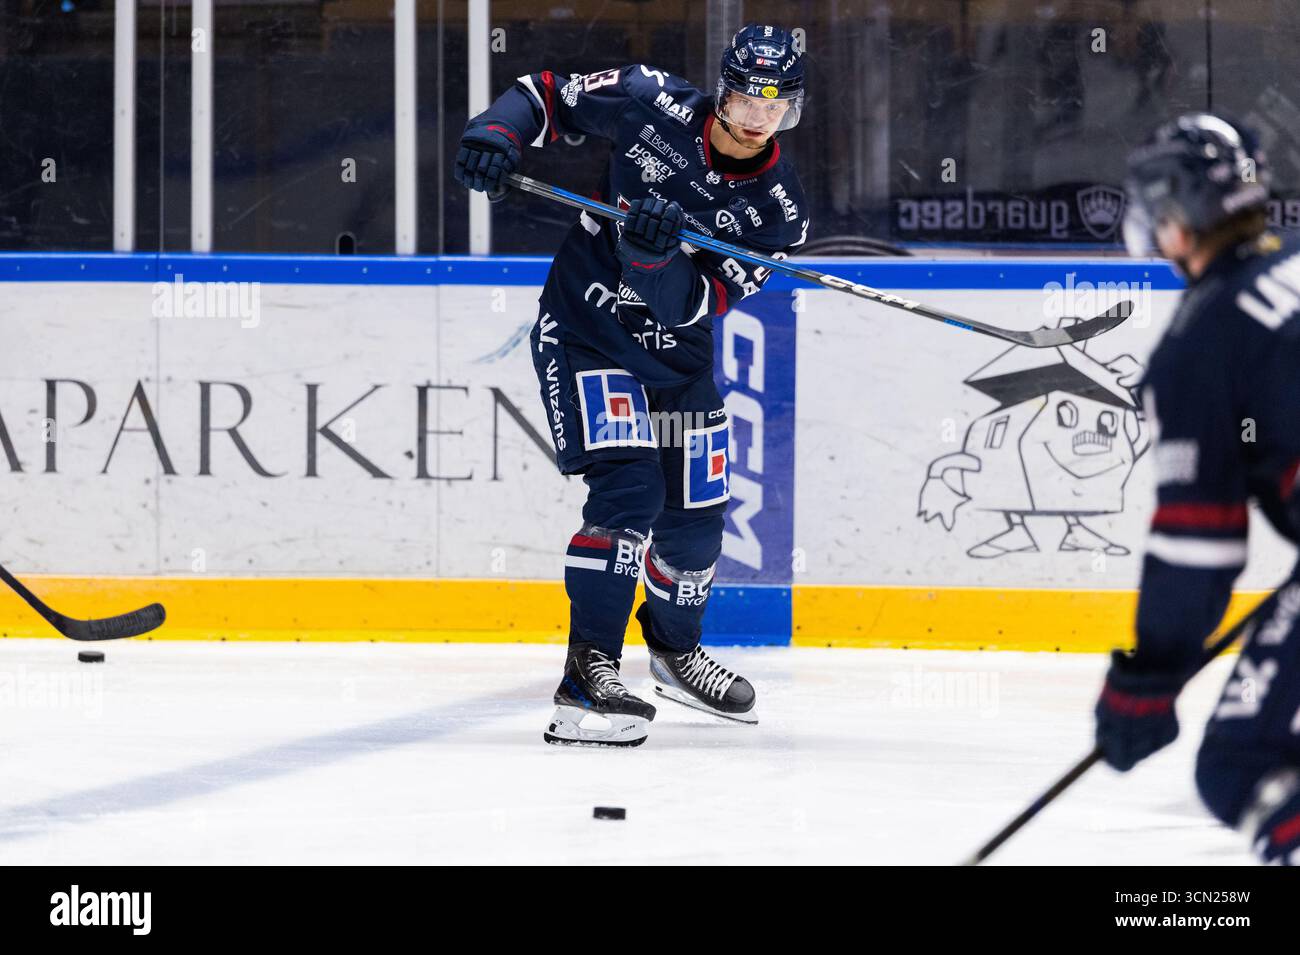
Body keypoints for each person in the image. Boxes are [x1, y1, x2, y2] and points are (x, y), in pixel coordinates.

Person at [453, 24, 810, 746]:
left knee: (698, 518)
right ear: (725, 87)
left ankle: (675, 650)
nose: (757, 118)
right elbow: (545, 95)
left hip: (677, 357)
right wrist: (497, 131)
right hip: (587, 332)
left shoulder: (781, 210)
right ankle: (587, 678)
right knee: (629, 491)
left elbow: (691, 304)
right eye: (747, 98)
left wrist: (652, 260)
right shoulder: (651, 100)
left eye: (776, 106)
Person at [1094, 113, 1300, 864]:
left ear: (1176, 217)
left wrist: (1148, 679)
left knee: (1237, 765)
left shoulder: (1198, 345)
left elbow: (1198, 547)